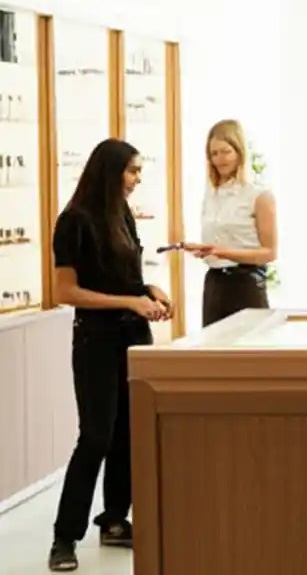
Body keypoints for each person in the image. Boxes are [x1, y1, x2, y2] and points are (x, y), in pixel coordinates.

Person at [47, 139, 171, 572]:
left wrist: (147, 292)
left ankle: (115, 520)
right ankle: (65, 537)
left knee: (129, 432)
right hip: (95, 340)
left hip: (132, 335)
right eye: (133, 171)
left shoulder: (121, 213)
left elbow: (125, 279)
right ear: (111, 170)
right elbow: (66, 291)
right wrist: (129, 302)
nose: (138, 179)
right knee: (97, 435)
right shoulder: (74, 221)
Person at [181, 119, 278, 327]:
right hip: (215, 283)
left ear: (239, 151)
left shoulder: (259, 195)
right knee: (212, 353)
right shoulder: (212, 194)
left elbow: (269, 253)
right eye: (213, 154)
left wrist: (221, 251)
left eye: (225, 152)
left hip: (246, 284)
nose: (219, 159)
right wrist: (206, 250)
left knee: (250, 354)